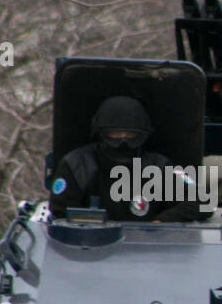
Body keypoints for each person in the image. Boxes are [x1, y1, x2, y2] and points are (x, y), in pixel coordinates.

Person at [49, 96, 200, 223]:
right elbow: (59, 214)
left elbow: (199, 202)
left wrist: (160, 222)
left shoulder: (158, 166)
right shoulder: (77, 165)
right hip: (89, 248)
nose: (123, 140)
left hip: (145, 248)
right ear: (101, 132)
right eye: (115, 133)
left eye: (130, 134)